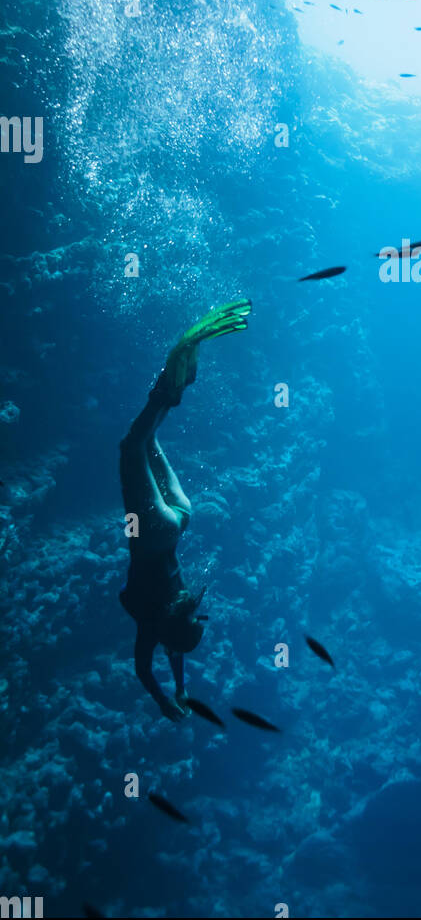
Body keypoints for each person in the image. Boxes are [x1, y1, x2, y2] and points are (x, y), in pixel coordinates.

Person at [118, 301, 251, 719]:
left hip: (180, 519)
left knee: (150, 442)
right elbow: (144, 668)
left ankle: (178, 381)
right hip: (152, 533)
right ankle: (173, 376)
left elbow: (175, 646)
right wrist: (166, 697)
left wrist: (179, 686)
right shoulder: (153, 626)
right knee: (131, 446)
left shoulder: (175, 615)